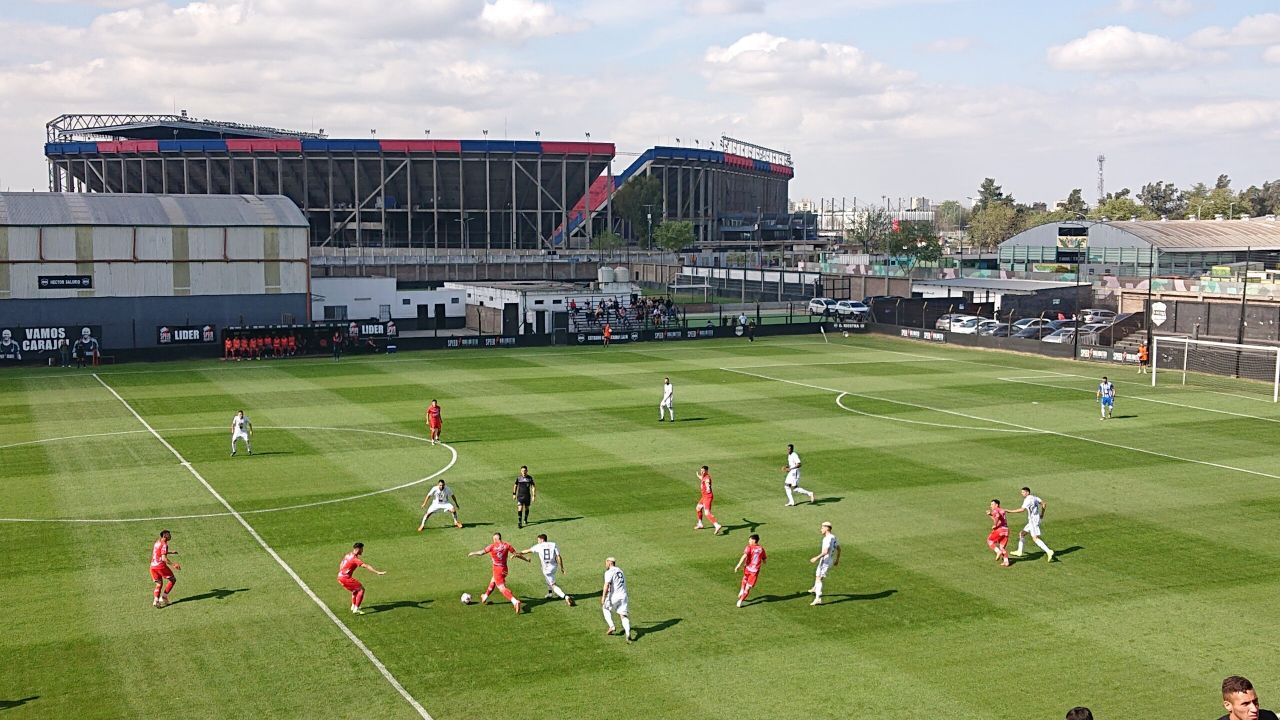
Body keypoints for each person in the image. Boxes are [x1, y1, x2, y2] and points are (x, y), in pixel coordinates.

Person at [468, 532, 528, 613]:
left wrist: (473, 553)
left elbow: (481, 552)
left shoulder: (492, 546)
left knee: (501, 588)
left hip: (497, 570)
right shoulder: (507, 545)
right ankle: (485, 596)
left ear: (495, 539)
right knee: (493, 580)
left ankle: (515, 601)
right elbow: (516, 554)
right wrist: (526, 559)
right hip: (505, 570)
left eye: (493, 539)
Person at [524, 533, 574, 606]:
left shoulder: (538, 546)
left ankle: (565, 597)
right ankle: (550, 593)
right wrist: (562, 567)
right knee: (548, 578)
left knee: (553, 585)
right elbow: (558, 556)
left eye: (538, 540)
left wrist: (518, 553)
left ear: (542, 539)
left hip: (547, 569)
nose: (537, 541)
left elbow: (527, 551)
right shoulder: (553, 544)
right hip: (554, 566)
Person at [337, 542, 386, 615]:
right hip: (345, 578)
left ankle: (353, 606)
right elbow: (366, 566)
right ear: (358, 549)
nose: (362, 551)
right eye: (362, 549)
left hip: (340, 576)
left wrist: (341, 572)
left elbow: (341, 564)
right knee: (361, 590)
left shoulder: (348, 555)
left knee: (355, 590)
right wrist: (377, 572)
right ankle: (356, 609)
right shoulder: (355, 559)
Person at [1008, 486, 1055, 562]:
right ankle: (1019, 551)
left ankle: (1049, 551)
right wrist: (1042, 514)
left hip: (1033, 521)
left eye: (1023, 492)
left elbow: (1022, 509)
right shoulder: (1035, 497)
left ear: (1027, 492)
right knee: (1022, 534)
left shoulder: (1027, 500)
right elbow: (1044, 504)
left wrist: (1009, 511)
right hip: (1034, 520)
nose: (1022, 493)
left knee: (1035, 538)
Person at [808, 521, 840, 606]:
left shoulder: (827, 539)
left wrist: (816, 558)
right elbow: (839, 549)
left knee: (819, 578)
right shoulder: (833, 537)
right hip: (828, 560)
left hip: (825, 561)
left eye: (822, 528)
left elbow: (825, 551)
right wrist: (837, 560)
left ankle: (818, 598)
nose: (820, 529)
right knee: (818, 574)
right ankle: (815, 588)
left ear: (826, 528)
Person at [601, 557, 633, 642]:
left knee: (605, 608)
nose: (605, 564)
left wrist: (603, 597)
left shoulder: (609, 572)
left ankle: (612, 626)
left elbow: (606, 585)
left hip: (614, 596)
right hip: (624, 596)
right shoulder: (620, 571)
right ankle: (627, 632)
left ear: (609, 562)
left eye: (606, 562)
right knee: (623, 615)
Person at [150, 530, 181, 608]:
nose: (170, 535)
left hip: (153, 567)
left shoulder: (157, 542)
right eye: (168, 534)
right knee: (173, 579)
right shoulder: (164, 544)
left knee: (159, 584)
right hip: (160, 566)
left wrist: (170, 552)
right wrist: (174, 565)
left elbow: (159, 552)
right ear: (164, 535)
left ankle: (156, 600)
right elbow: (164, 558)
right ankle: (164, 597)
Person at [733, 534, 766, 607]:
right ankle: (741, 600)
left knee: (745, 578)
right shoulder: (761, 549)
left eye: (750, 540)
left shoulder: (749, 547)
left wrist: (738, 565)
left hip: (748, 568)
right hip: (755, 571)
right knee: (748, 587)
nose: (749, 541)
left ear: (754, 540)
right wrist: (763, 561)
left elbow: (744, 556)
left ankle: (741, 591)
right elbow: (764, 559)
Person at [693, 465, 722, 534]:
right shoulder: (703, 477)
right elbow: (702, 479)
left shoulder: (707, 478)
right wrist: (698, 476)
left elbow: (707, 482)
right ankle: (700, 524)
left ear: (706, 471)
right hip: (704, 497)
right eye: (701, 471)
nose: (702, 472)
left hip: (708, 497)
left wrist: (708, 487)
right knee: (698, 508)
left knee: (707, 512)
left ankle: (717, 525)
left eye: (703, 471)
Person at [987, 499, 1011, 567]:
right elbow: (998, 518)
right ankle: (1006, 562)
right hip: (1006, 530)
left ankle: (998, 551)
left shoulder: (995, 510)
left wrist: (995, 524)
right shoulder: (1002, 510)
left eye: (992, 504)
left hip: (1000, 529)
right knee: (1002, 547)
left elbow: (997, 517)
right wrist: (990, 515)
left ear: (996, 505)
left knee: (990, 540)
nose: (990, 506)